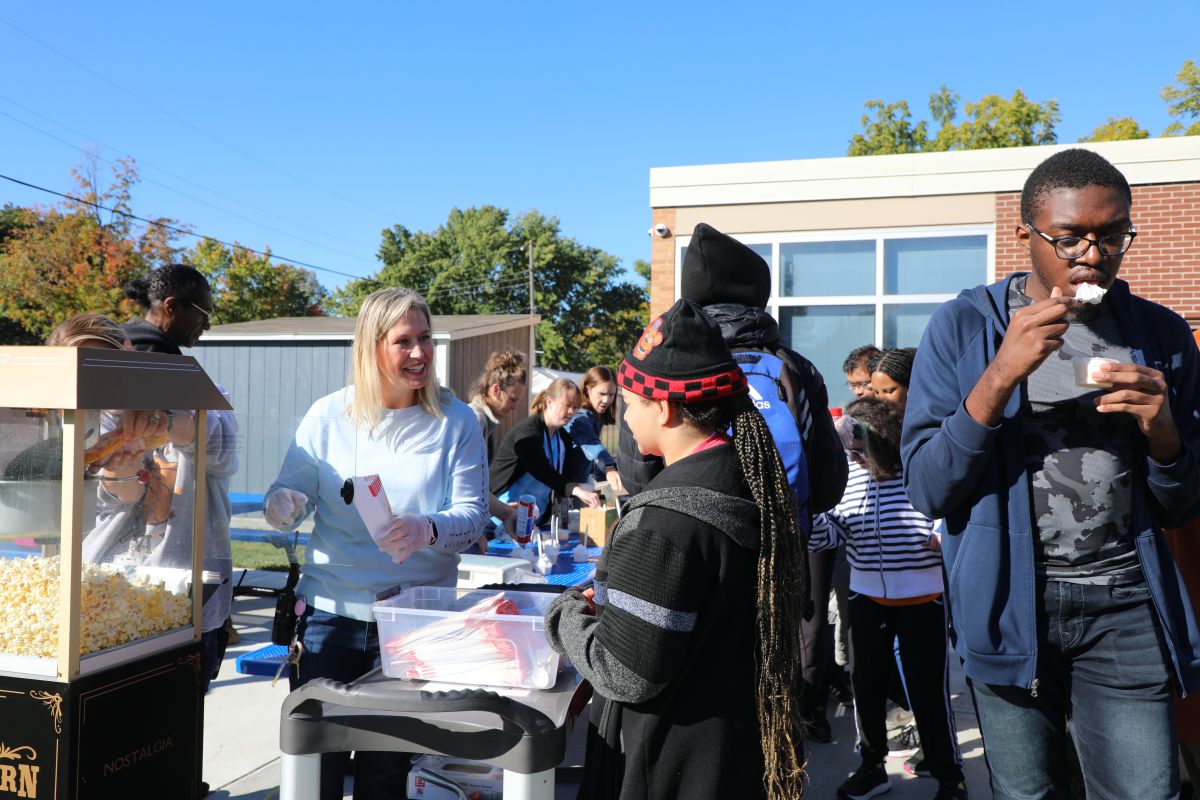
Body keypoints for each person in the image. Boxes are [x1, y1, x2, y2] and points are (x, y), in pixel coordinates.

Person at [902, 148, 1200, 799]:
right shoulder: (964, 326)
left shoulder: (1161, 335)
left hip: (1124, 603)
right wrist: (999, 376)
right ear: (1026, 235)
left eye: (1112, 235)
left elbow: (1181, 505)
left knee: (1147, 791)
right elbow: (928, 488)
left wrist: (1164, 431)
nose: (1092, 255)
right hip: (1009, 601)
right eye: (1069, 238)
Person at [545, 299, 806, 800]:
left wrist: (563, 616)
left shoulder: (664, 523)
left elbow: (625, 672)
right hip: (724, 756)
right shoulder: (745, 479)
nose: (623, 413)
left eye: (630, 401)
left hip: (666, 766)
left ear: (662, 407)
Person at [264, 287, 488, 800]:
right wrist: (283, 505)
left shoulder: (456, 423)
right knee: (314, 770)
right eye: (403, 341)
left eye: (425, 338)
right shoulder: (327, 416)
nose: (419, 353)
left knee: (387, 774)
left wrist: (424, 528)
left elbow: (472, 519)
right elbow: (287, 497)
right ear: (370, 347)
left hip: (415, 625)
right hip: (328, 620)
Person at [616, 223, 846, 516]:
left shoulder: (663, 361)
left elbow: (638, 481)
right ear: (759, 291)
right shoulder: (797, 368)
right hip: (782, 548)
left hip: (687, 534)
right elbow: (827, 488)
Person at [811, 397, 965, 800]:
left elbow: (948, 519)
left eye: (860, 450)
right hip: (865, 596)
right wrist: (809, 516)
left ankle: (950, 777)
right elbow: (832, 535)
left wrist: (941, 535)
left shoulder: (918, 475)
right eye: (849, 451)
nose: (855, 458)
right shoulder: (850, 479)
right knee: (866, 687)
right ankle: (872, 766)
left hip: (922, 598)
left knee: (927, 692)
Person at [123, 265, 238, 692]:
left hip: (181, 581)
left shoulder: (195, 385)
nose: (207, 323)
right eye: (202, 313)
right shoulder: (153, 363)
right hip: (134, 580)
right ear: (171, 307)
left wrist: (170, 422)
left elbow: (216, 447)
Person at [490, 378, 601, 528]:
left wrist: (583, 488)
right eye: (567, 405)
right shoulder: (528, 432)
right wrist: (577, 490)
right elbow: (542, 471)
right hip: (501, 517)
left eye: (575, 407)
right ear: (549, 402)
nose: (571, 412)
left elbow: (563, 478)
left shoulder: (563, 439)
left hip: (535, 521)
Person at [467, 349, 528, 537]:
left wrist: (500, 508)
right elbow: (470, 488)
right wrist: (505, 512)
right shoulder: (475, 420)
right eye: (512, 399)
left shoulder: (482, 420)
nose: (515, 407)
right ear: (495, 390)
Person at [564, 366, 626, 496]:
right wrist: (609, 467)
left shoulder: (595, 416)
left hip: (582, 482)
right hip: (569, 489)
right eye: (602, 394)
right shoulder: (579, 418)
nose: (607, 400)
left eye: (611, 394)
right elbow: (592, 444)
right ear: (588, 390)